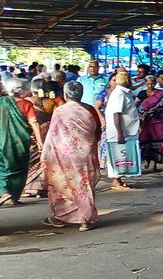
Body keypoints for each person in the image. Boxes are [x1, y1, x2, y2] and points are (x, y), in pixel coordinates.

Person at [40, 80, 101, 230]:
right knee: (84, 186)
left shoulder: (60, 111)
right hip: (86, 153)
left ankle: (64, 216)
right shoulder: (90, 109)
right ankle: (84, 221)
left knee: (64, 184)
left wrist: (46, 153)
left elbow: (53, 134)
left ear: (66, 95)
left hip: (65, 155)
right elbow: (97, 130)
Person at [103, 68, 141, 191]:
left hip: (126, 131)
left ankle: (119, 180)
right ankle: (116, 181)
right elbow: (116, 114)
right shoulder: (119, 94)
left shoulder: (124, 92)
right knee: (117, 155)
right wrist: (120, 133)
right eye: (129, 79)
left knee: (122, 156)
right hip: (119, 132)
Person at [0, 83, 34, 207]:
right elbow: (33, 122)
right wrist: (40, 141)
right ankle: (13, 197)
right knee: (20, 168)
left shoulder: (2, 103)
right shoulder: (26, 104)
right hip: (21, 141)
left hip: (2, 141)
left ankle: (4, 192)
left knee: (2, 167)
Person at [137, 74, 163, 172]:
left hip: (158, 122)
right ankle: (146, 160)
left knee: (158, 144)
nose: (150, 86)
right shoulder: (142, 94)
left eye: (152, 84)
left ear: (155, 83)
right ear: (145, 84)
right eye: (148, 84)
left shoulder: (161, 94)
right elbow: (136, 106)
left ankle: (154, 163)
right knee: (145, 142)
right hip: (145, 122)